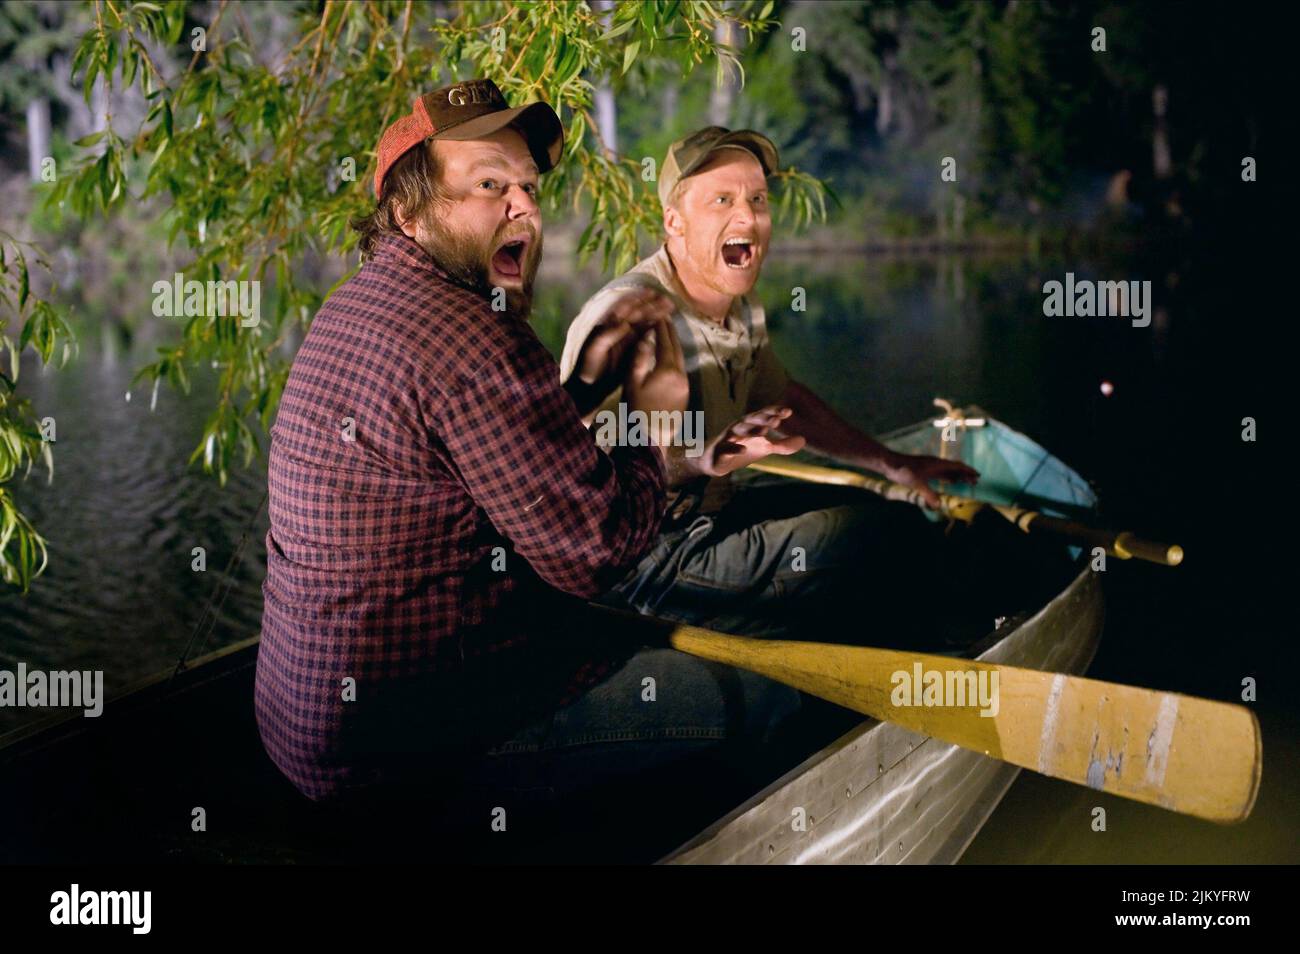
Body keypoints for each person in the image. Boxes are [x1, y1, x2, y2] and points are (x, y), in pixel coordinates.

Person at [253, 82, 806, 818]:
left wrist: (591, 393)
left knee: (661, 637)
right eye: (489, 185)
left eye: (529, 186)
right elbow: (597, 552)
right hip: (402, 756)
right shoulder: (469, 336)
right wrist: (650, 422)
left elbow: (508, 465)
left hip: (301, 728)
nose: (526, 208)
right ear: (410, 212)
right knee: (773, 701)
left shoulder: (354, 305)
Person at [560, 127, 982, 643]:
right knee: (883, 538)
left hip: (716, 510)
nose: (749, 218)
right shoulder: (625, 314)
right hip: (648, 562)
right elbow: (570, 472)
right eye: (722, 200)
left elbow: (783, 399)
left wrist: (892, 463)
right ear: (674, 223)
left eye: (758, 199)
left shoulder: (739, 305)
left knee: (890, 512)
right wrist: (695, 461)